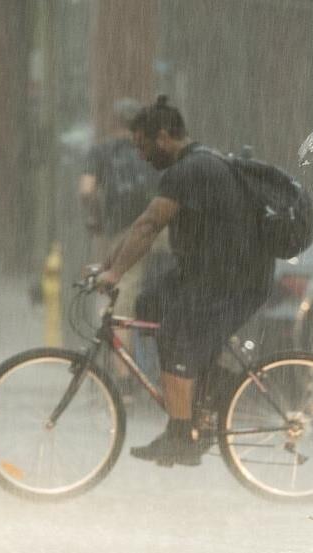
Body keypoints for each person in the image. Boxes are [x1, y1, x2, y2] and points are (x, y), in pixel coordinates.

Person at [93, 95, 274, 466]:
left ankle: (183, 431)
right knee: (151, 303)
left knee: (176, 331)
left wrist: (113, 274)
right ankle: (206, 393)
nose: (141, 156)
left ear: (163, 137)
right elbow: (144, 222)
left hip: (233, 280)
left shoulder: (189, 170)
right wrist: (108, 264)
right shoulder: (195, 164)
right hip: (216, 273)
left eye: (143, 146)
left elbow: (149, 226)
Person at [80, 98, 161, 385]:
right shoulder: (151, 151)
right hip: (160, 231)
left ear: (114, 122)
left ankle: (124, 380)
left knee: (120, 304)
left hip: (124, 232)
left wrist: (97, 220)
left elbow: (87, 190)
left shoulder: (101, 151)